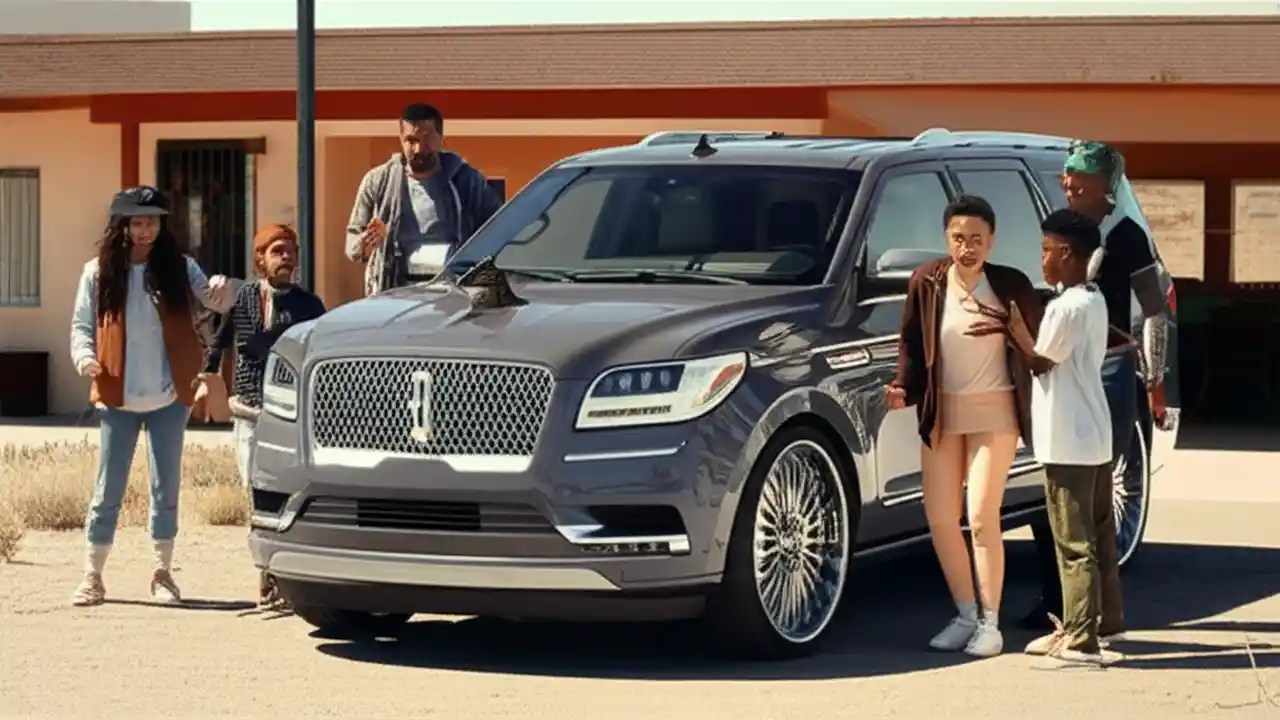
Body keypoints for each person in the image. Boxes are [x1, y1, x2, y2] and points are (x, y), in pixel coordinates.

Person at [887, 194, 1044, 657]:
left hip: (996, 412)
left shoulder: (1010, 285)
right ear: (945, 239)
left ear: (992, 241)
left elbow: (1038, 349)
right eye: (958, 237)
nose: (967, 247)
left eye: (977, 238)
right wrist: (903, 387)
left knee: (979, 515)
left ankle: (991, 623)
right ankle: (965, 613)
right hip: (943, 411)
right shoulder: (928, 282)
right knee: (939, 517)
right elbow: (912, 344)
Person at [1020, 140, 1166, 631]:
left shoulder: (1125, 234)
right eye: (1065, 174)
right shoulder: (1065, 231)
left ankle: (1084, 619)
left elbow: (1154, 309)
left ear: (1109, 184)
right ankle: (1064, 602)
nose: (1069, 182)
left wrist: (1156, 380)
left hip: (1106, 368)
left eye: (1080, 175)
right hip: (1065, 359)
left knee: (1086, 496)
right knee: (1059, 495)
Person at [968, 209, 1124, 665]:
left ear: (1068, 254)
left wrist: (1011, 325)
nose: (1042, 260)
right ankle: (1103, 621)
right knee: (1099, 538)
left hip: (1067, 440)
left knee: (1072, 542)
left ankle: (1080, 639)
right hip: (1094, 436)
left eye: (1047, 251)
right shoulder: (1093, 299)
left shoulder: (1066, 307)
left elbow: (1040, 362)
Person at [68, 185, 237, 607]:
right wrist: (85, 357)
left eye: (152, 222)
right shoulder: (98, 272)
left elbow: (213, 299)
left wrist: (221, 288)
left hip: (169, 394)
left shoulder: (180, 268)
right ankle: (93, 574)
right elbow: (81, 326)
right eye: (137, 222)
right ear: (121, 226)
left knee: (166, 487)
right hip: (117, 395)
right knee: (109, 486)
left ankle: (163, 573)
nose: (145, 230)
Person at [198, 223, 326, 606]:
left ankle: (288, 578)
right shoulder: (246, 300)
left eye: (290, 250)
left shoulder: (311, 306)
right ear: (260, 260)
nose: (285, 257)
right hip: (250, 413)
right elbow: (218, 344)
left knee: (289, 497)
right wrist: (206, 380)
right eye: (276, 251)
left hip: (292, 417)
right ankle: (266, 579)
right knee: (256, 496)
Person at [345, 102, 505, 296]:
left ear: (441, 138)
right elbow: (352, 242)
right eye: (411, 140)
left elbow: (499, 229)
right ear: (401, 140)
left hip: (453, 293)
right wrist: (365, 244)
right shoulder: (379, 182)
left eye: (427, 138)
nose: (419, 149)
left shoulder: (466, 181)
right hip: (394, 294)